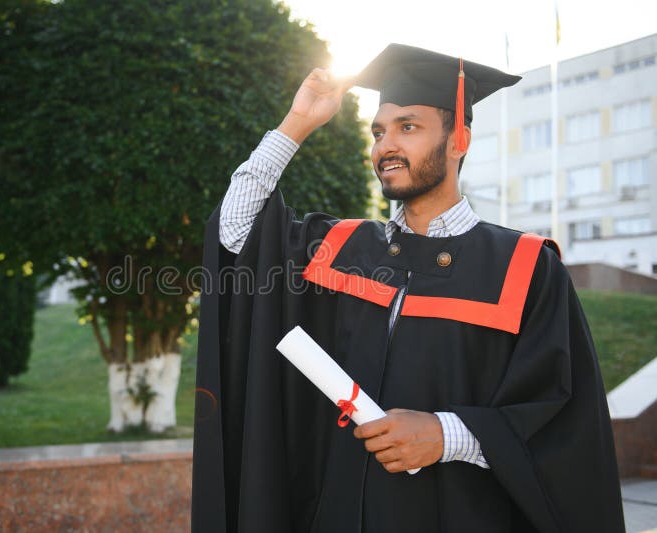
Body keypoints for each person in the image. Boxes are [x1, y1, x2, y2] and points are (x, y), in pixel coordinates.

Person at [192, 43, 625, 533]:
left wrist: (447, 434)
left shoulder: (525, 267)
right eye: (379, 132)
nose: (386, 146)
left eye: (408, 127)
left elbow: (561, 418)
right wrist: (296, 124)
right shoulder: (342, 248)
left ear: (459, 138)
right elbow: (235, 230)